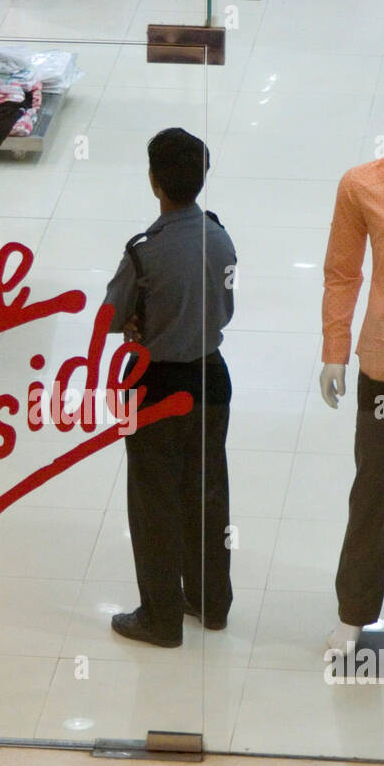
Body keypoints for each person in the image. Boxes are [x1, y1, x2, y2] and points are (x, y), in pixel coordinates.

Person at [102, 127, 237, 648]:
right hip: (212, 376)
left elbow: (111, 317)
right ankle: (211, 601)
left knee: (154, 499)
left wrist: (140, 318)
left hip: (156, 384)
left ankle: (161, 618)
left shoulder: (145, 254)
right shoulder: (221, 236)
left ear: (155, 182)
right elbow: (225, 305)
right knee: (207, 489)